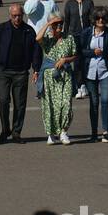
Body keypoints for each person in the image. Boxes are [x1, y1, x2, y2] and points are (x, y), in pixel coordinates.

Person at [0, 2, 40, 144]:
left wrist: (36, 68)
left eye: (19, 16)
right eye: (14, 16)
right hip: (3, 71)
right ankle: (5, 130)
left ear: (23, 15)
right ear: (10, 15)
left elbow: (36, 51)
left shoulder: (29, 31)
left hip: (21, 72)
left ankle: (16, 132)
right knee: (3, 100)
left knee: (20, 103)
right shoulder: (1, 29)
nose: (17, 18)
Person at [76, 7, 108, 143]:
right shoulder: (86, 33)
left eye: (103, 18)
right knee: (94, 102)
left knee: (105, 99)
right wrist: (92, 53)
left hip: (106, 71)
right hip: (89, 72)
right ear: (94, 20)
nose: (100, 21)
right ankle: (94, 133)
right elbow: (80, 52)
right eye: (98, 18)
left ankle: (106, 131)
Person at [39, 12, 75, 145]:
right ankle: (51, 133)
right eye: (55, 24)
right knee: (50, 105)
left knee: (66, 103)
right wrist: (49, 23)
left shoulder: (69, 38)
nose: (58, 26)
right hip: (49, 77)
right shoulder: (47, 39)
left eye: (60, 23)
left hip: (65, 75)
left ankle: (63, 131)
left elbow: (75, 55)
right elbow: (37, 38)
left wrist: (65, 59)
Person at [63, 0, 95, 99]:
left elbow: (93, 19)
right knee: (77, 62)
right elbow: (66, 22)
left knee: (86, 61)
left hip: (86, 35)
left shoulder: (89, 2)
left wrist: (93, 32)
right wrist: (64, 37)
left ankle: (86, 85)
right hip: (74, 36)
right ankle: (79, 86)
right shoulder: (69, 4)